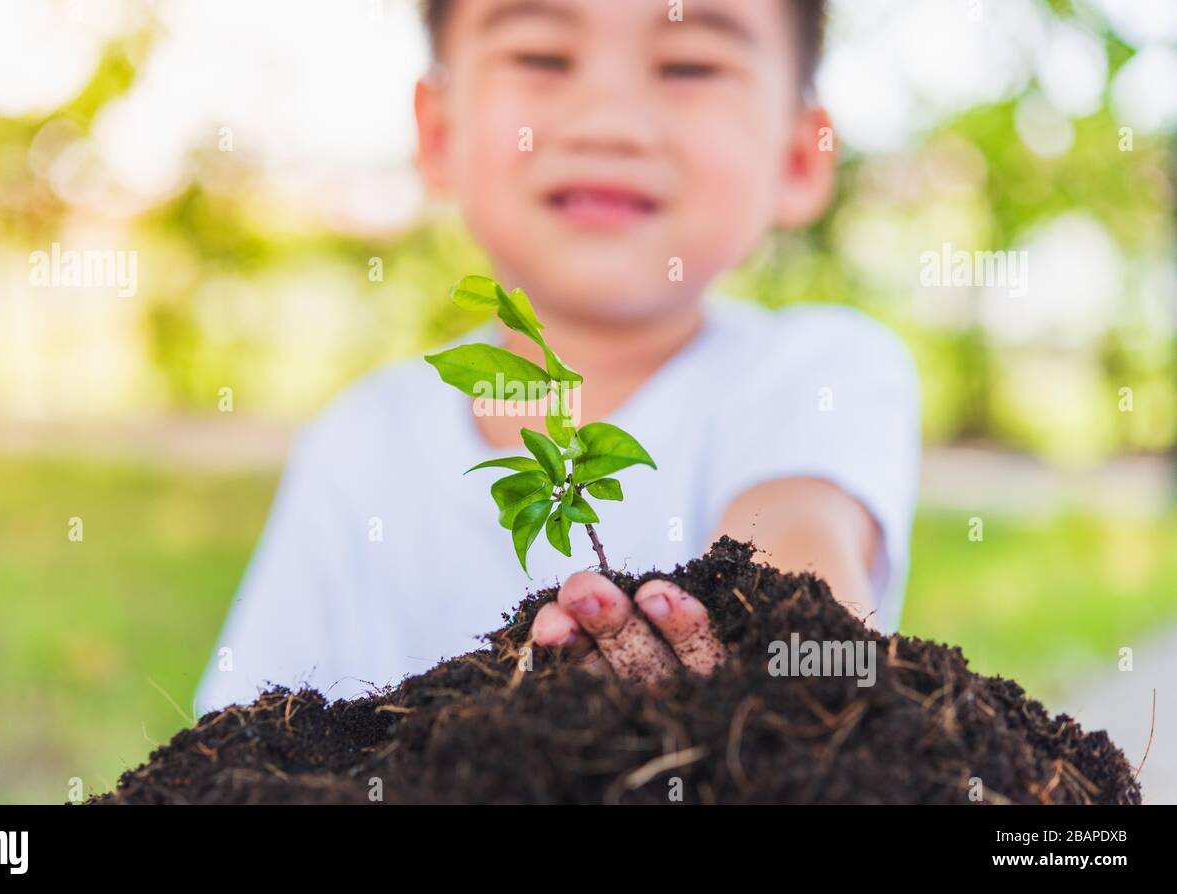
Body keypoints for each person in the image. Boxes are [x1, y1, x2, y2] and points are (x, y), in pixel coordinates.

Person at [195, 0, 919, 713]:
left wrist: (761, 678)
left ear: (798, 156)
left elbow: (798, 554)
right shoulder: (359, 442)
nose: (607, 121)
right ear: (440, 132)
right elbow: (249, 729)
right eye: (542, 57)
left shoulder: (818, 372)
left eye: (689, 65)